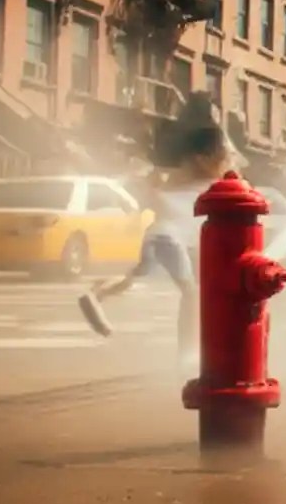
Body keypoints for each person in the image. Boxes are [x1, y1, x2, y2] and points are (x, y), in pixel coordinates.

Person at [78, 126, 230, 375]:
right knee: (192, 294)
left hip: (157, 235)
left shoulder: (174, 179)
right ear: (201, 158)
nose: (224, 162)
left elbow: (154, 197)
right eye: (220, 156)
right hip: (169, 239)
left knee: (134, 276)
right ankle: (187, 355)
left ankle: (98, 293)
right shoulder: (200, 180)